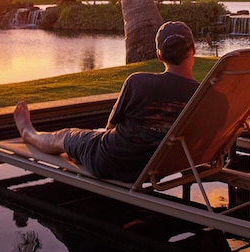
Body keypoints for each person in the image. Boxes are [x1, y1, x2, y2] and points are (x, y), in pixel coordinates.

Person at [13, 21, 199, 181]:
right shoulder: (202, 95)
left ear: (159, 55)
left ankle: (28, 133)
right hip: (160, 166)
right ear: (193, 50)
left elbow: (110, 127)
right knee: (88, 141)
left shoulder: (139, 83)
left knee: (64, 136)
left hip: (112, 161)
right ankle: (80, 151)